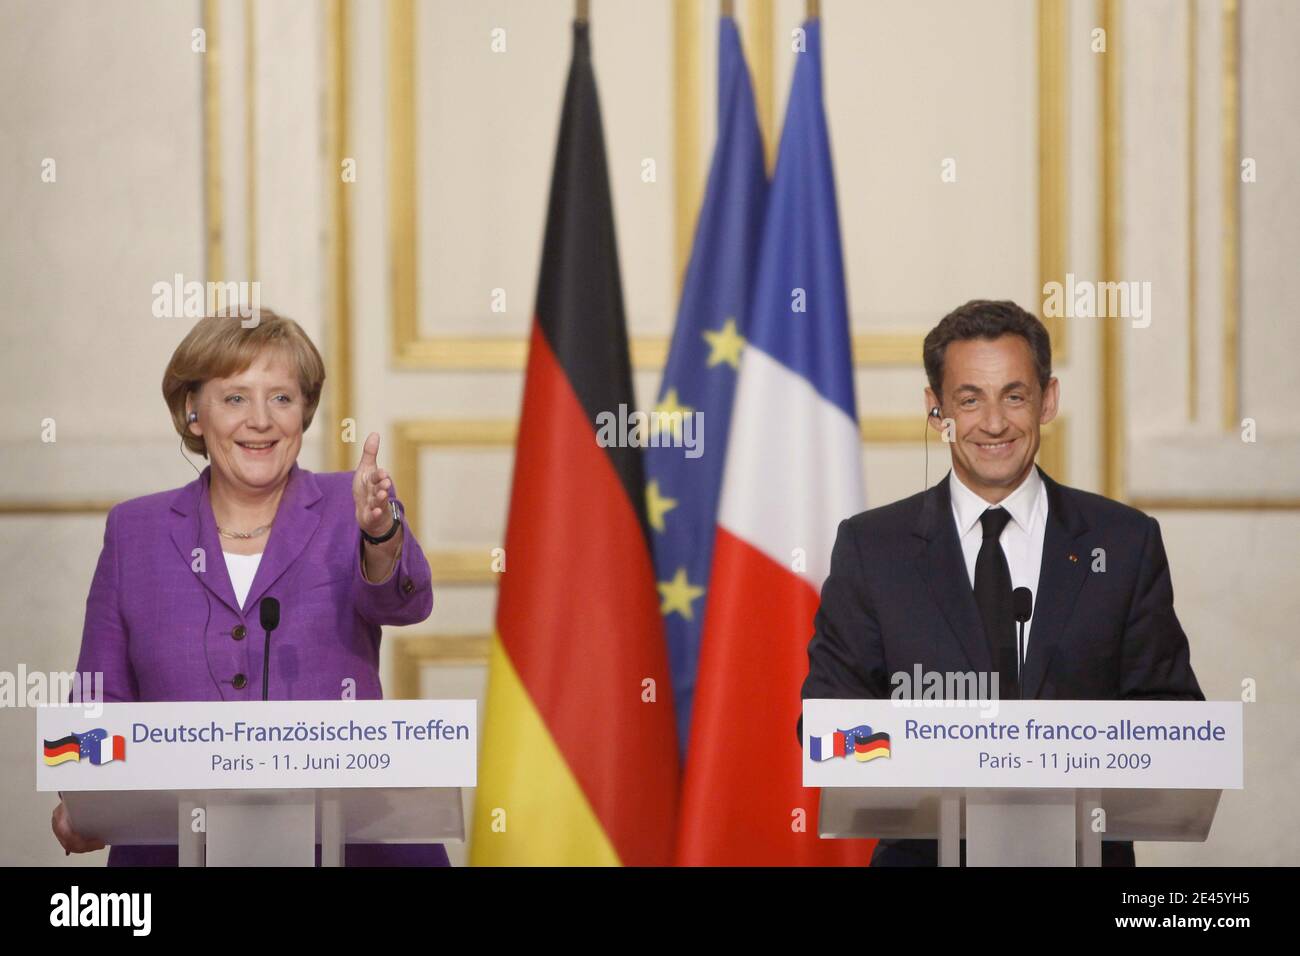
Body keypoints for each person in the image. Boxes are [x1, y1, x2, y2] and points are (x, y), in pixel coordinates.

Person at [801, 299, 1203, 867]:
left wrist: (1062, 756)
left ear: (1048, 400)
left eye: (1014, 395)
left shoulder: (1122, 542)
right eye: (969, 400)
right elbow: (828, 729)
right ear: (936, 411)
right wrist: (952, 753)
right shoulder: (873, 549)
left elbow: (1173, 717)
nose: (994, 423)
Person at [52, 307, 445, 866]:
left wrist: (380, 534)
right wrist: (84, 794)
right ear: (193, 412)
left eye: (282, 398)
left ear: (304, 411)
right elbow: (98, 697)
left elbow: (405, 603)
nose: (260, 420)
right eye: (235, 397)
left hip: (343, 843)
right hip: (176, 845)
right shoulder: (134, 529)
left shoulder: (348, 505)